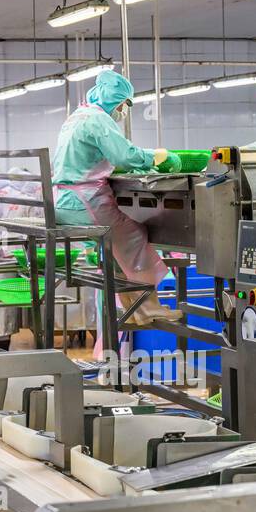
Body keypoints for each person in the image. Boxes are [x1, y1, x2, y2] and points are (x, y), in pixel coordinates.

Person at [53, 68, 178, 327]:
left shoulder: (77, 116)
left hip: (66, 201)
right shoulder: (98, 119)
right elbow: (124, 155)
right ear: (113, 99)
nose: (123, 111)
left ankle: (135, 308)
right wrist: (155, 157)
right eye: (124, 104)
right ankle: (151, 306)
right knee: (133, 235)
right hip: (85, 202)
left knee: (116, 247)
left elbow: (92, 157)